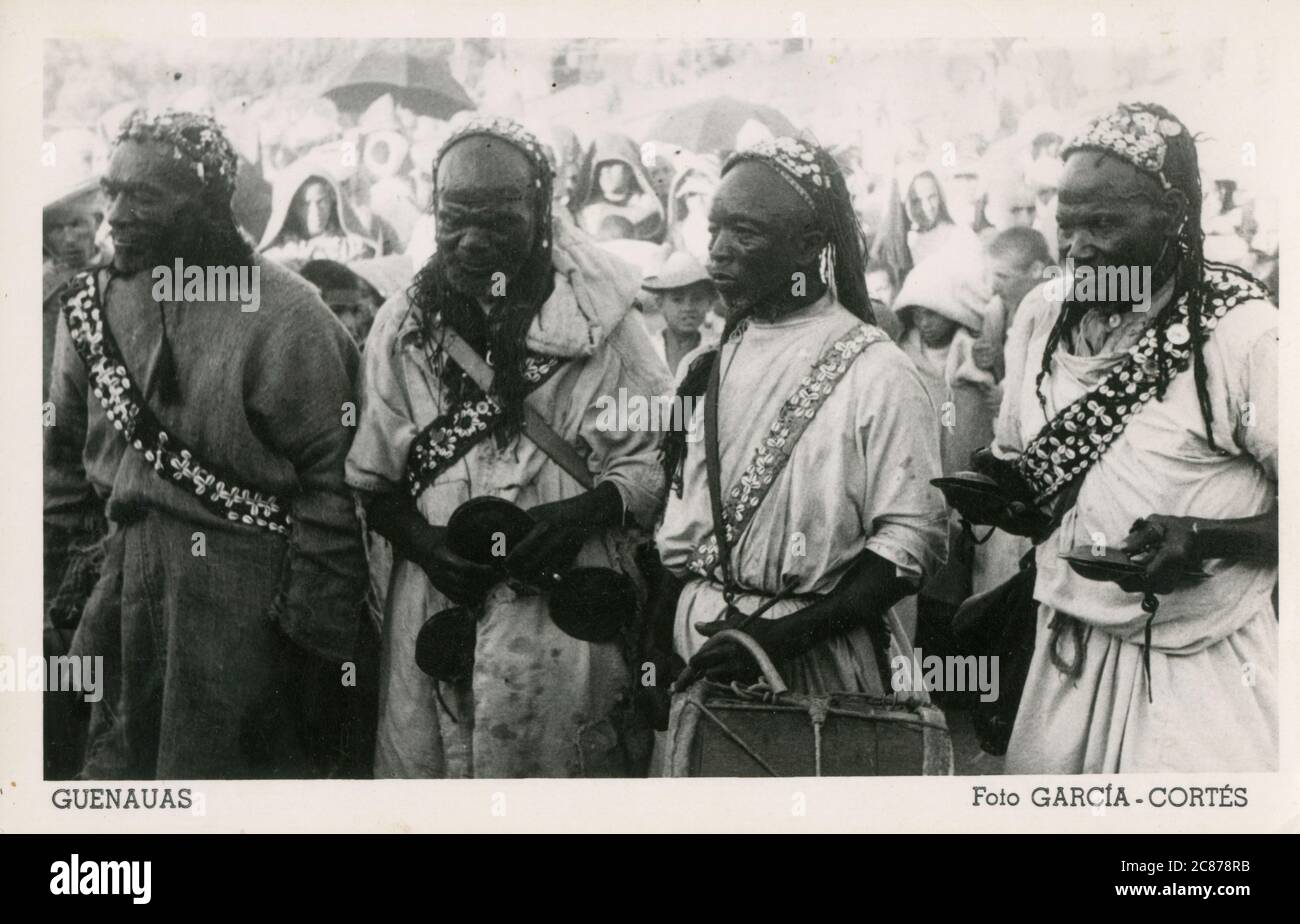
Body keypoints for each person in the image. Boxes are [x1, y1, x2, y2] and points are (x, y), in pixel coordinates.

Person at [345, 116, 672, 779]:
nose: (473, 241)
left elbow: (655, 464)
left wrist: (581, 515)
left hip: (567, 614)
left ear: (542, 208)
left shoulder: (604, 322)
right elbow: (373, 484)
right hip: (438, 605)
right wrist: (428, 548)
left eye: (500, 220)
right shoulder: (402, 327)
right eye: (454, 217)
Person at [46, 110, 369, 779]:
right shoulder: (87, 306)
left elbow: (334, 490)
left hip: (248, 614)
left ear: (205, 208)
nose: (115, 215)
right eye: (111, 191)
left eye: (145, 197)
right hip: (116, 599)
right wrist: (63, 605)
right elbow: (62, 474)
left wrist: (312, 646)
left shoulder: (289, 314)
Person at [968, 103, 1278, 773]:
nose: (1077, 247)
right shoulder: (1040, 319)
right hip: (1063, 654)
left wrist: (1205, 539)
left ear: (1172, 214)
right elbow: (1025, 469)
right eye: (1067, 225)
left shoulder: (1246, 336)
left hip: (1200, 676)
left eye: (1103, 224)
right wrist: (1003, 497)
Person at [656, 136, 947, 705]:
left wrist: (780, 639)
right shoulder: (705, 367)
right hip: (702, 652)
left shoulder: (878, 371)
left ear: (808, 244)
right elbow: (680, 533)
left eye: (746, 232)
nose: (718, 251)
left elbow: (910, 543)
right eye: (714, 230)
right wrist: (655, 650)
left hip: (815, 664)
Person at [893, 255, 1001, 672]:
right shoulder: (899, 354)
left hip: (959, 471)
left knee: (956, 574)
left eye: (934, 312)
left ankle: (955, 673)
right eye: (917, 312)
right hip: (915, 473)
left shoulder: (973, 358)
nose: (925, 321)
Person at [258, 159, 386, 268]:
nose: (316, 212)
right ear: (291, 209)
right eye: (305, 204)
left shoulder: (354, 248)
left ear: (332, 201)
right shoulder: (276, 257)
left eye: (321, 201)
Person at [572, 133, 666, 243]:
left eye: (612, 164)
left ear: (630, 169)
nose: (605, 171)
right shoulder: (588, 213)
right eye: (600, 166)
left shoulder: (650, 202)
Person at [640, 251, 720, 377]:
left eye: (697, 298)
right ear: (660, 304)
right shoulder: (646, 351)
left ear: (709, 303)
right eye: (677, 299)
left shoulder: (717, 352)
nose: (688, 307)